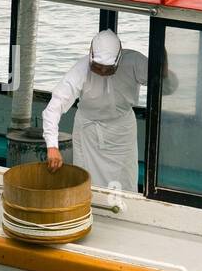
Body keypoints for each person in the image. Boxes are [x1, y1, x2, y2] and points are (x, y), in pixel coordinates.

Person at [41, 28, 171, 192]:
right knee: (85, 181)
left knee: (125, 181)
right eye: (97, 67)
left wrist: (162, 42)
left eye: (108, 69)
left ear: (119, 58)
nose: (102, 72)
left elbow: (162, 75)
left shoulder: (134, 62)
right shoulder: (81, 69)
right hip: (88, 131)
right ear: (90, 55)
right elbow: (54, 107)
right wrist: (52, 146)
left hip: (122, 131)